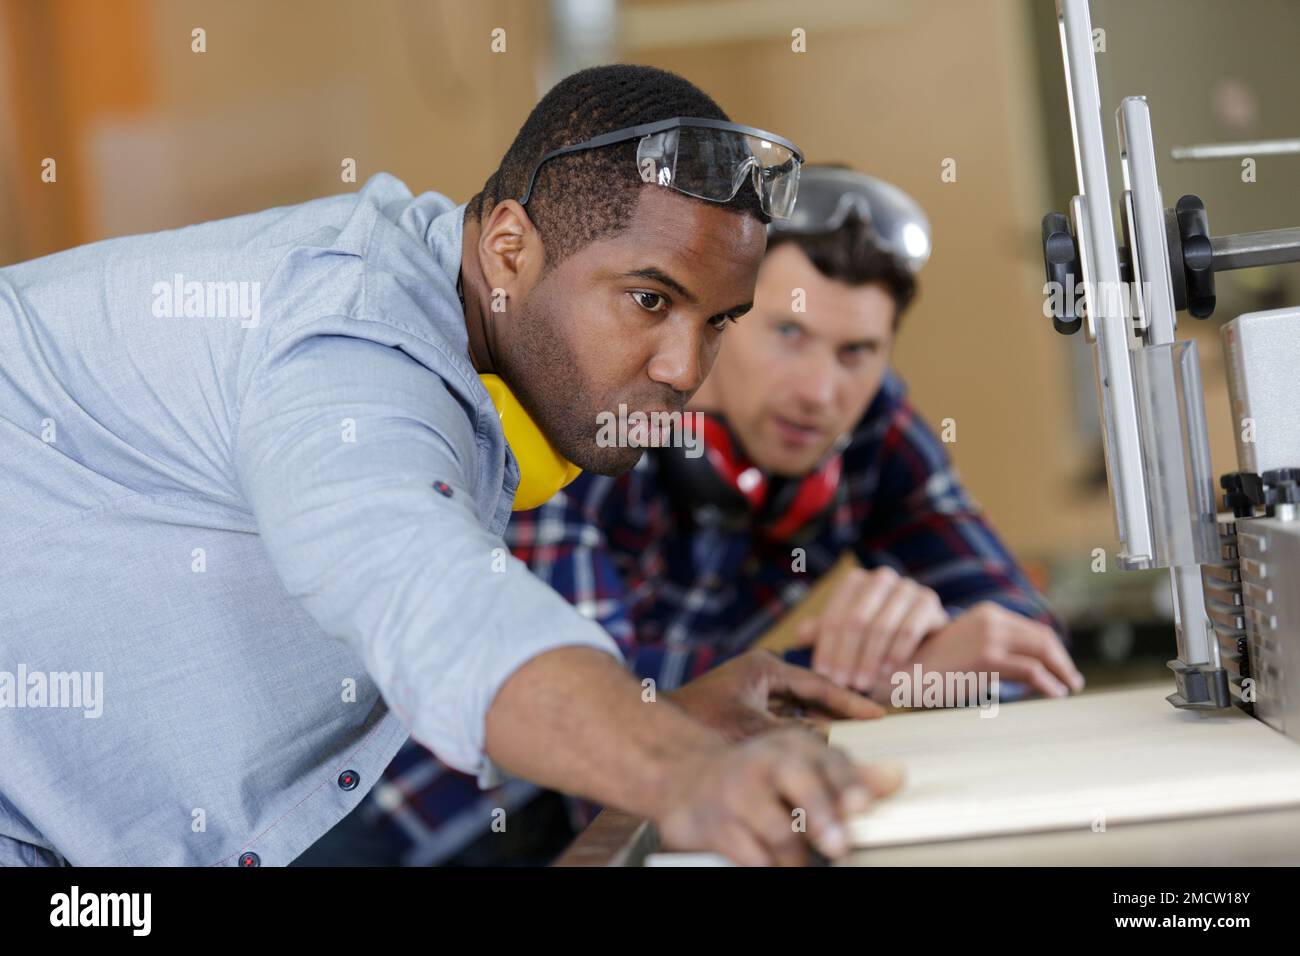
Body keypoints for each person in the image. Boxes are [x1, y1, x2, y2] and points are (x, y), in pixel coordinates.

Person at [0, 67, 902, 868]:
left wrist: (655, 728)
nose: (683, 368)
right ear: (510, 248)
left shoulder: (468, 333)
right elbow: (419, 584)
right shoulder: (351, 334)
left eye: (717, 321)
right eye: (649, 299)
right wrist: (674, 766)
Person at [351, 166, 1083, 866]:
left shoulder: (873, 429)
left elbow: (1027, 645)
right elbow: (603, 714)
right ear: (722, 321)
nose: (818, 392)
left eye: (857, 352)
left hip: (615, 817)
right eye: (789, 335)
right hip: (413, 819)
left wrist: (930, 644)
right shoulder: (599, 414)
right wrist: (863, 676)